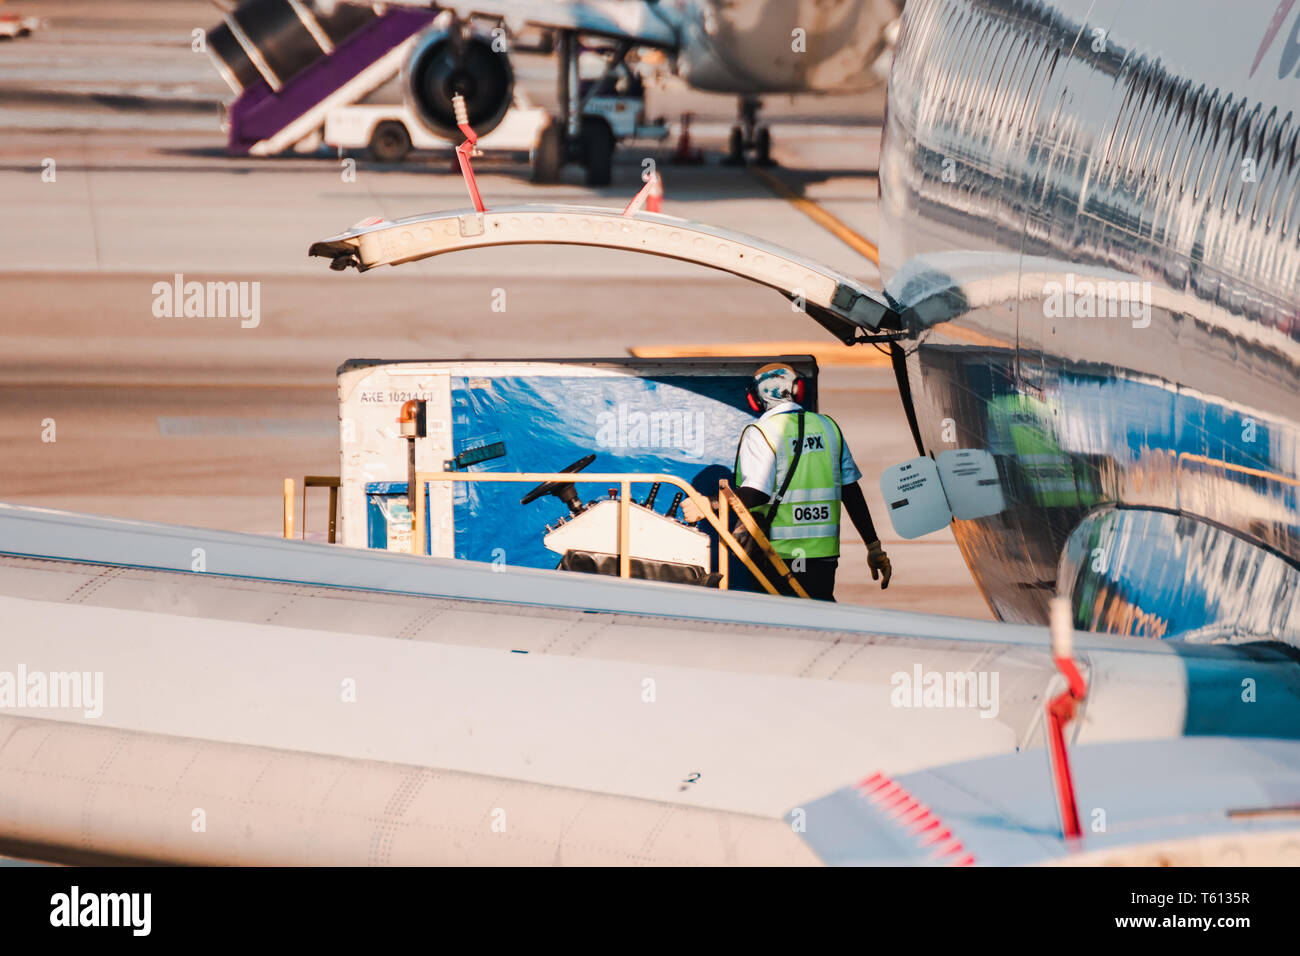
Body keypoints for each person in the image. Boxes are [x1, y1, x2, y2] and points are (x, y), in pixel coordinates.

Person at [685, 363, 892, 600]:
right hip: (824, 555)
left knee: (787, 621)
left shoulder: (761, 432)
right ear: (797, 390)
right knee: (819, 615)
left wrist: (708, 504)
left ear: (754, 400)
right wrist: (873, 546)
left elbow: (757, 493)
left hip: (781, 554)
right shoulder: (828, 427)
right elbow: (851, 491)